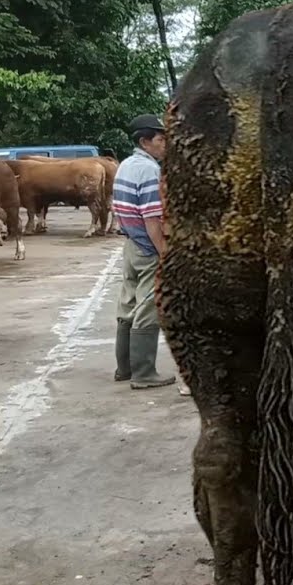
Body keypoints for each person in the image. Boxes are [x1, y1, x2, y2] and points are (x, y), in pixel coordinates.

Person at [113, 113, 176, 389]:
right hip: (147, 247)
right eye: (161, 139)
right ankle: (144, 373)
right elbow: (152, 219)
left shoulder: (125, 165)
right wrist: (164, 254)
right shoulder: (150, 170)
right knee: (148, 307)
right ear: (145, 142)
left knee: (127, 304)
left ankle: (124, 368)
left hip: (130, 244)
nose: (165, 145)